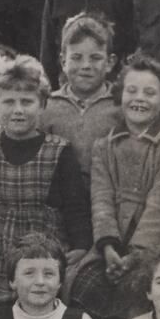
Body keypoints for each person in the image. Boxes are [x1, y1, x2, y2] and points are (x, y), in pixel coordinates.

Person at [69, 54, 160, 319]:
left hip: (153, 246)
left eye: (150, 93)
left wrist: (135, 255)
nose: (140, 98)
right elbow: (101, 198)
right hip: (110, 247)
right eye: (132, 90)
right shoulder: (104, 146)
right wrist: (109, 248)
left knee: (139, 295)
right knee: (83, 285)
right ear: (120, 95)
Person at [0, 56, 91, 319]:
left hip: (47, 248)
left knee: (45, 316)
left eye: (27, 102)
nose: (18, 110)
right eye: (9, 102)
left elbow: (76, 206)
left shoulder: (60, 151)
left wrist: (79, 245)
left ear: (42, 104)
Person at [40, 13, 122, 188]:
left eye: (95, 58)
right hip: (61, 203)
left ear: (110, 62)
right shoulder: (47, 107)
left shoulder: (121, 106)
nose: (86, 66)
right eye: (76, 58)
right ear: (63, 61)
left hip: (109, 200)